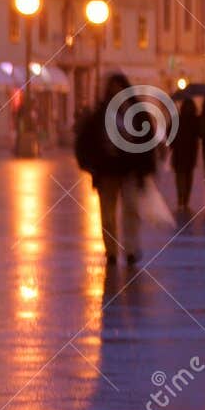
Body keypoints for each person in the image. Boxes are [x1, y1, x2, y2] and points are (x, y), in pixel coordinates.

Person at [74, 70, 158, 266]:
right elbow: (84, 141)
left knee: (131, 209)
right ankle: (111, 250)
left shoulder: (136, 114)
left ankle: (131, 248)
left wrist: (145, 167)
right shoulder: (101, 114)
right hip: (106, 171)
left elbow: (147, 140)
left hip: (129, 169)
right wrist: (90, 165)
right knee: (108, 214)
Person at [170, 93, 200, 212]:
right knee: (188, 174)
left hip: (178, 151)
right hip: (191, 152)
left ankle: (180, 196)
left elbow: (170, 134)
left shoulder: (177, 119)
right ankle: (185, 198)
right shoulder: (195, 120)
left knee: (180, 174)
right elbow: (200, 134)